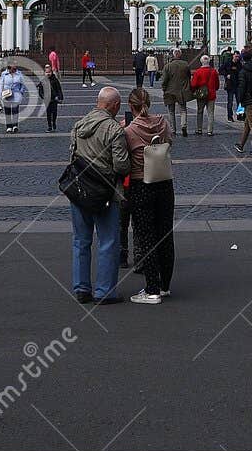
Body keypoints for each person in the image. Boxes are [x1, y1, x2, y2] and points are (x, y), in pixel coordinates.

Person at [67, 87, 131, 304]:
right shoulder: (114, 129)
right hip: (105, 193)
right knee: (108, 241)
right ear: (115, 105)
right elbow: (121, 166)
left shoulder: (79, 124)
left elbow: (72, 155)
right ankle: (104, 291)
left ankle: (81, 288)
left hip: (79, 190)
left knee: (80, 241)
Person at [123, 87, 175, 303]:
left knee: (147, 237)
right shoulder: (163, 122)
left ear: (130, 106)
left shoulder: (129, 131)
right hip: (165, 184)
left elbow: (124, 158)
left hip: (141, 185)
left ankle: (152, 290)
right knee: (166, 234)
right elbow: (170, 142)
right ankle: (164, 286)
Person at [160, 49, 192, 134]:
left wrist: (164, 88)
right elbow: (189, 76)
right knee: (183, 110)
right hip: (182, 90)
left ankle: (173, 129)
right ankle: (183, 125)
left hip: (170, 91)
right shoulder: (185, 64)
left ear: (173, 55)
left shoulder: (168, 66)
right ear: (180, 55)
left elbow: (164, 80)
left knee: (171, 111)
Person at [189, 54, 219, 136]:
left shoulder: (198, 71)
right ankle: (210, 130)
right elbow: (217, 84)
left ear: (201, 62)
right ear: (209, 61)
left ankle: (199, 129)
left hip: (201, 94)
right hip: (211, 94)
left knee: (200, 111)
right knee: (210, 113)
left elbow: (193, 84)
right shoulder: (214, 71)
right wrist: (214, 89)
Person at [0, 64, 27, 133]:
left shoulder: (19, 73)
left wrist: (21, 92)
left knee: (15, 111)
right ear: (9, 68)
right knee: (7, 111)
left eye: (15, 68)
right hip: (6, 94)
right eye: (13, 68)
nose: (14, 69)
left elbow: (23, 84)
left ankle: (15, 126)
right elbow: (1, 85)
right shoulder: (4, 74)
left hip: (16, 94)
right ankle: (9, 127)